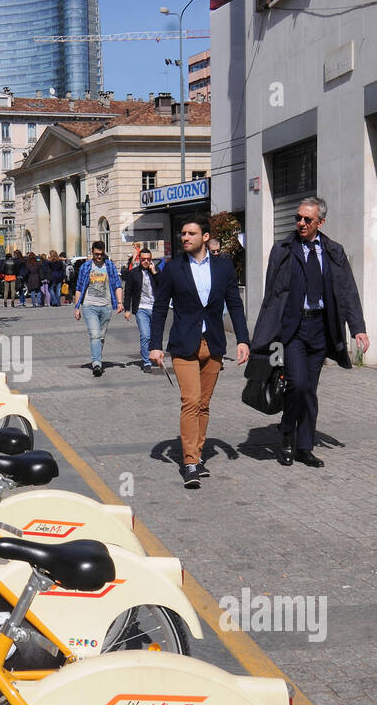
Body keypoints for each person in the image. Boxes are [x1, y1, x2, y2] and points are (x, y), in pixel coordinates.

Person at [249, 197, 369, 468]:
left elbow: (347, 291)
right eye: (298, 218)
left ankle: (305, 447)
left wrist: (358, 328)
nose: (300, 223)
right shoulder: (283, 250)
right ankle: (288, 434)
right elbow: (272, 295)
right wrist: (264, 335)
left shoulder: (333, 251)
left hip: (320, 328)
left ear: (320, 222)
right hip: (294, 328)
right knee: (298, 383)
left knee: (309, 390)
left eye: (307, 220)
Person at [149, 217, 249, 488]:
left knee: (204, 404)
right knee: (191, 400)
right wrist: (154, 345)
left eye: (191, 233)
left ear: (205, 237)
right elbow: (159, 308)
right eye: (183, 233)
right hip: (184, 344)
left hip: (213, 344)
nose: (185, 237)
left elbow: (235, 305)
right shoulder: (173, 268)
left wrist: (243, 339)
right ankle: (190, 461)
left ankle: (199, 453)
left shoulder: (223, 266)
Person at [74, 241, 124, 377]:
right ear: (92, 252)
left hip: (106, 306)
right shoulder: (86, 267)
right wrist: (77, 307)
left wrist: (119, 302)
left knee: (101, 336)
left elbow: (117, 285)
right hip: (90, 305)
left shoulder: (109, 266)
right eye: (96, 254)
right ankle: (97, 364)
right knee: (95, 334)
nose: (99, 257)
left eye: (101, 254)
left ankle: (97, 359)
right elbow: (79, 288)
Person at [123, 248, 159, 371]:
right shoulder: (133, 273)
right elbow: (128, 292)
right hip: (141, 308)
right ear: (139, 259)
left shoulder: (156, 271)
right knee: (145, 335)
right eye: (143, 259)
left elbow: (164, 287)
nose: (145, 261)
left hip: (155, 308)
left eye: (148, 259)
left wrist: (154, 272)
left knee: (154, 336)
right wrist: (127, 309)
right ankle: (146, 362)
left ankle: (154, 354)